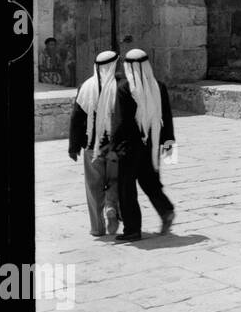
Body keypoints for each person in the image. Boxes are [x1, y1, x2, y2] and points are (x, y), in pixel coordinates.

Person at [111, 49, 176, 242]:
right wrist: (168, 144)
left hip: (130, 147)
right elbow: (167, 118)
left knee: (126, 188)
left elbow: (123, 122)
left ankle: (132, 229)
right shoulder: (160, 87)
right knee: (149, 181)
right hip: (152, 145)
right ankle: (166, 210)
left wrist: (114, 145)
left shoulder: (124, 88)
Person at [68, 50, 122, 236]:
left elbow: (76, 119)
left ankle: (98, 228)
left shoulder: (86, 87)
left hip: (92, 146)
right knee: (116, 181)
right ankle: (111, 206)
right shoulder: (121, 86)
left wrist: (73, 147)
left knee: (93, 186)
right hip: (115, 146)